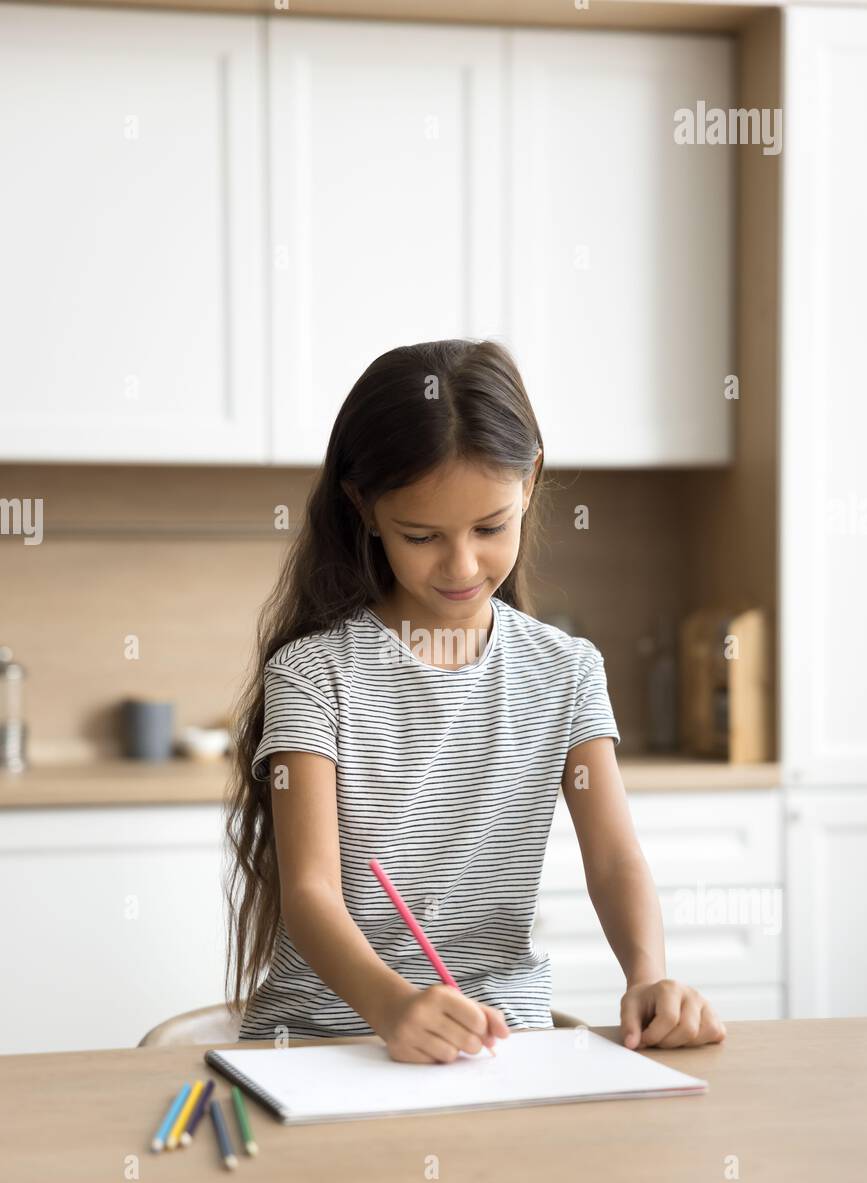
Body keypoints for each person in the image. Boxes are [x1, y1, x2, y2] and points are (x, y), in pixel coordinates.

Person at [225, 339, 726, 1063]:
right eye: (421, 536)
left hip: (501, 1044)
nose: (462, 566)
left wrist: (648, 975)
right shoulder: (312, 675)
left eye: (490, 528)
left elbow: (614, 858)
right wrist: (391, 1005)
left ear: (531, 481)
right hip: (324, 1042)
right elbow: (309, 892)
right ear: (363, 508)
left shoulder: (566, 670)